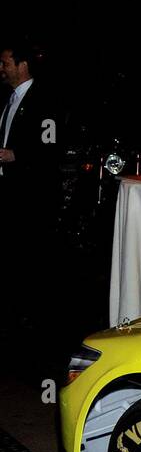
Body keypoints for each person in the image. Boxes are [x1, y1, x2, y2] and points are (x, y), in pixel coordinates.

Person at [0, 41, 61, 368]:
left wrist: (16, 155)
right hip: (11, 200)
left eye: (5, 63)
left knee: (33, 271)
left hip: (32, 203)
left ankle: (37, 345)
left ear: (22, 65)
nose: (2, 69)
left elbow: (51, 149)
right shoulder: (8, 101)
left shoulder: (44, 100)